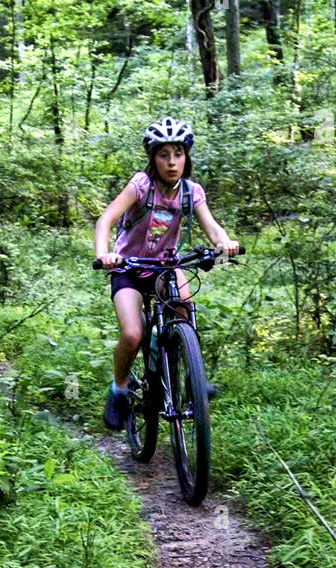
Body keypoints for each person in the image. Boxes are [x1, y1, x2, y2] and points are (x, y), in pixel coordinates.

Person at [93, 116, 240, 430]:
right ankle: (119, 389)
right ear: (152, 158)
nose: (172, 162)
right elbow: (106, 219)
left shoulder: (191, 191)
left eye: (178, 154)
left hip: (165, 267)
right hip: (128, 268)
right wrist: (104, 254)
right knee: (132, 334)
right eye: (164, 155)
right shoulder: (141, 186)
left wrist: (224, 243)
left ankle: (193, 382)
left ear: (186, 156)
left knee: (185, 312)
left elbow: (211, 226)